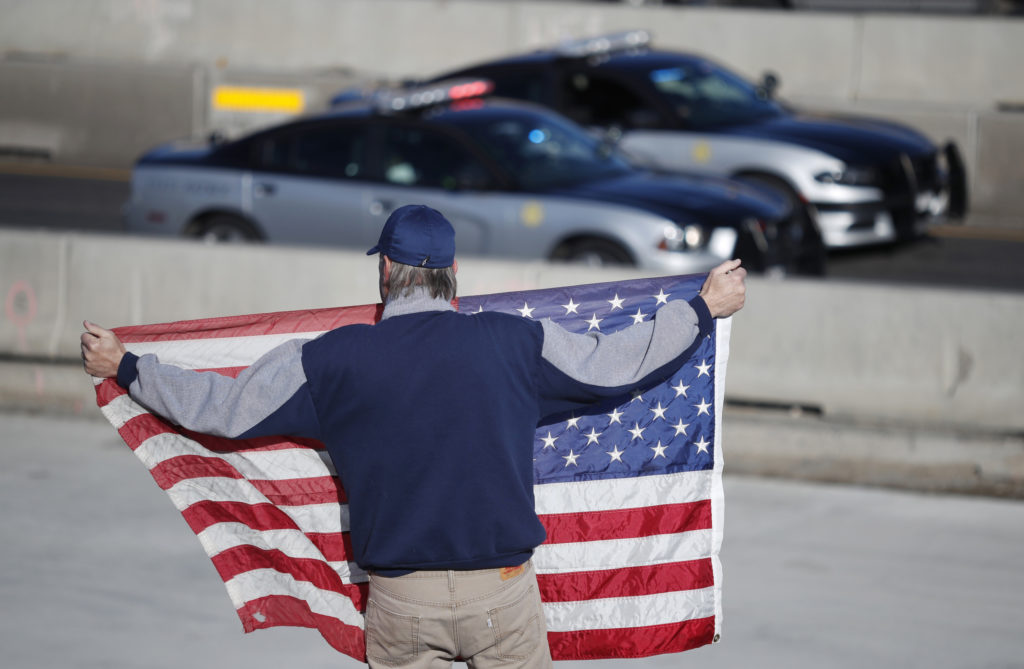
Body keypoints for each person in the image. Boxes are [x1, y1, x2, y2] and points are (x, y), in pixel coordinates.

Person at [81, 204, 746, 669]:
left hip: (400, 602)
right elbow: (619, 362)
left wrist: (128, 365)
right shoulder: (516, 342)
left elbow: (221, 408)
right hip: (503, 592)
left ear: (385, 273)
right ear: (452, 273)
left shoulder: (331, 360)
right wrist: (701, 308)